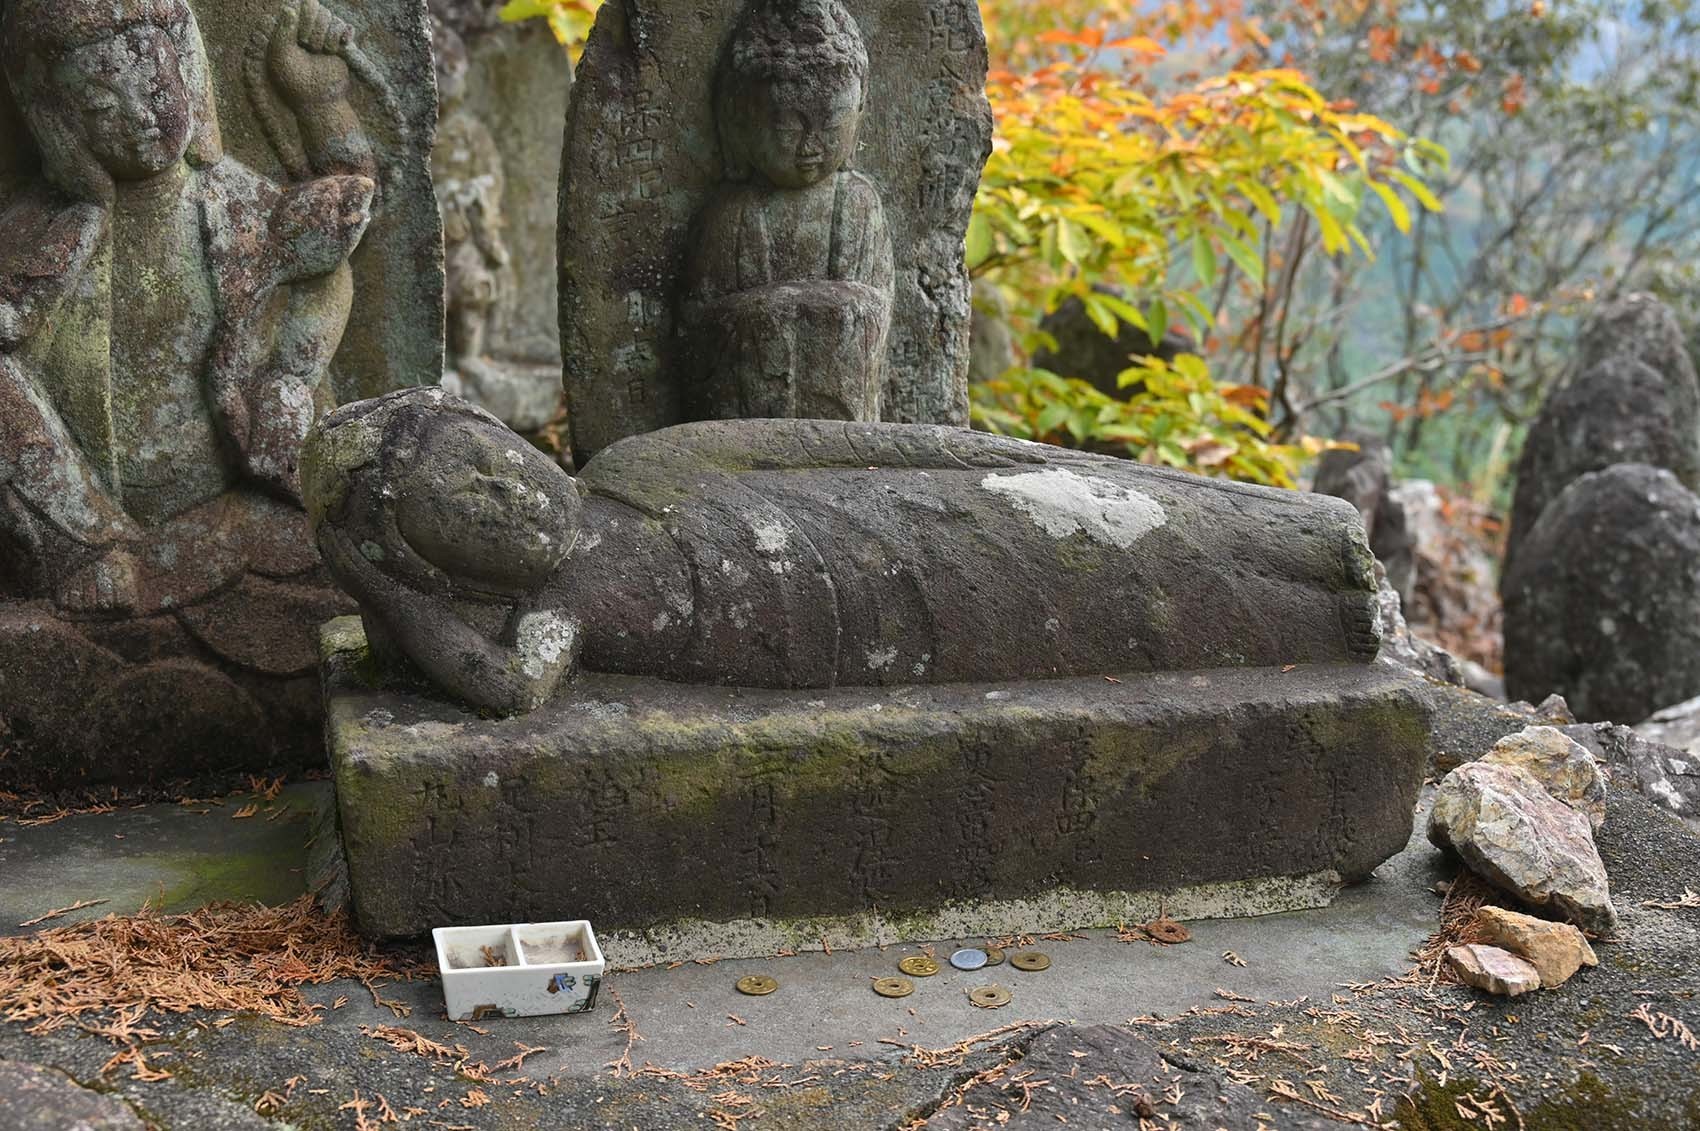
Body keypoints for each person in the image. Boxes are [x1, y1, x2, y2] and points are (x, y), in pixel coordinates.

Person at [304, 388, 1382, 715]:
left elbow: (836, 441)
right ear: (427, 561)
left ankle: (1320, 544)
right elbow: (501, 689)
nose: (504, 491)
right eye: (458, 504)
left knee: (1115, 519)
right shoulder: (560, 612)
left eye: (488, 457)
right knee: (1125, 617)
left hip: (900, 513)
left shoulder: (641, 463)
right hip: (881, 631)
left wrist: (989, 455)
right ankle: (1326, 611)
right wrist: (380, 595)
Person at [0, 0, 377, 613]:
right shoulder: (45, 229)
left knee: (330, 549)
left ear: (190, 73)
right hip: (90, 531)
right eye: (101, 106)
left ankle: (150, 580)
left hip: (236, 503)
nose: (140, 116)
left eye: (156, 84)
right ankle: (96, 555)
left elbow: (338, 237)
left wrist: (320, 99)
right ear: (60, 121)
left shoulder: (240, 205)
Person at [681, 0, 894, 423]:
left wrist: (838, 311)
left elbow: (879, 311)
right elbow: (694, 331)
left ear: (859, 114)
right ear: (740, 120)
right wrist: (770, 314)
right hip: (750, 415)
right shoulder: (733, 213)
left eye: (831, 125)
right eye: (788, 128)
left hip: (843, 417)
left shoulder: (857, 205)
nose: (811, 146)